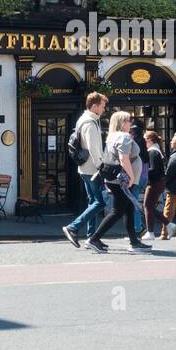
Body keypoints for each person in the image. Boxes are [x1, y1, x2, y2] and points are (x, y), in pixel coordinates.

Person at [87, 110, 145, 253]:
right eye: (128, 121)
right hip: (123, 180)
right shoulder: (123, 137)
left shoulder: (111, 136)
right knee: (117, 211)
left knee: (128, 208)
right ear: (121, 123)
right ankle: (94, 238)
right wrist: (131, 177)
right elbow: (123, 158)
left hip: (116, 179)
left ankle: (134, 241)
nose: (130, 123)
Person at [62, 91, 108, 249]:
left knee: (92, 202)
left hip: (85, 168)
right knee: (99, 203)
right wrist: (101, 166)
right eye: (102, 106)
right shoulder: (89, 122)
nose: (104, 109)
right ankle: (73, 227)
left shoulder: (85, 119)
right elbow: (93, 147)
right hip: (92, 169)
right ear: (94, 106)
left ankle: (91, 237)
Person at [140, 131, 166, 243]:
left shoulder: (153, 152)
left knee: (147, 205)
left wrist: (142, 172)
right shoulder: (156, 151)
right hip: (157, 182)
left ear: (150, 140)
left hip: (155, 182)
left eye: (144, 139)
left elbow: (154, 169)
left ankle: (150, 232)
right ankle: (168, 224)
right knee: (148, 206)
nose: (143, 142)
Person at [129, 121, 147, 236]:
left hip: (136, 176)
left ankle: (138, 227)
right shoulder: (143, 143)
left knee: (133, 202)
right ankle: (137, 226)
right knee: (133, 201)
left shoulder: (134, 145)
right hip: (144, 177)